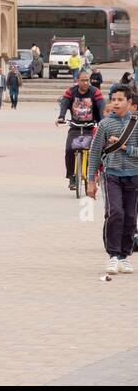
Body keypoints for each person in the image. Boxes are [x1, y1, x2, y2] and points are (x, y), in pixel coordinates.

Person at [86, 86, 138, 275]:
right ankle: (113, 255)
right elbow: (94, 154)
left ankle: (124, 256)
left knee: (131, 217)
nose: (116, 102)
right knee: (115, 213)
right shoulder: (105, 125)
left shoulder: (136, 124)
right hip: (112, 175)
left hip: (134, 176)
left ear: (130, 103)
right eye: (113, 99)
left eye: (120, 99)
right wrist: (91, 180)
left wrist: (127, 148)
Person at [58, 71, 105, 188]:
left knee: (93, 152)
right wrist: (61, 117)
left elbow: (101, 105)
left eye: (87, 80)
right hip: (75, 126)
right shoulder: (71, 91)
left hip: (91, 127)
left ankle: (92, 176)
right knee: (69, 150)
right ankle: (71, 177)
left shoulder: (95, 92)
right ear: (77, 81)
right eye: (83, 80)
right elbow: (64, 103)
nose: (85, 83)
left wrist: (103, 121)